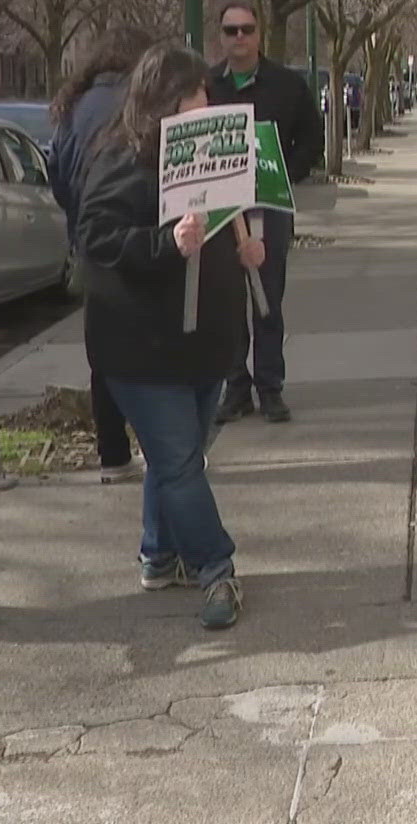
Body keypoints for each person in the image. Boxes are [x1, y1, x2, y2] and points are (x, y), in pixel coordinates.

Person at [76, 43, 263, 630]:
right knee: (181, 463)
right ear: (162, 104)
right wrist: (164, 245)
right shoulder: (120, 159)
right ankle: (216, 568)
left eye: (204, 92)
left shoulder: (212, 152)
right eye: (192, 94)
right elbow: (96, 238)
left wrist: (246, 246)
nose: (204, 102)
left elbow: (231, 220)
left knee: (176, 457)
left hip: (205, 341)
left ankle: (159, 556)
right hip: (142, 347)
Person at [207, 0, 324, 425]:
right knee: (227, 301)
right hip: (221, 213)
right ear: (220, 36)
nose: (238, 37)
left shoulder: (286, 85)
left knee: (267, 301)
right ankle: (235, 389)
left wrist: (282, 176)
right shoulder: (206, 87)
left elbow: (313, 140)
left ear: (258, 34)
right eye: (230, 30)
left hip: (268, 209)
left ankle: (270, 387)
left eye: (246, 29)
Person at [49, 26, 155, 484]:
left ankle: (112, 452)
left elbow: (57, 177)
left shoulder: (72, 110)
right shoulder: (139, 105)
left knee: (104, 354)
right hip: (139, 235)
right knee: (153, 348)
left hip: (90, 243)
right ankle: (158, 445)